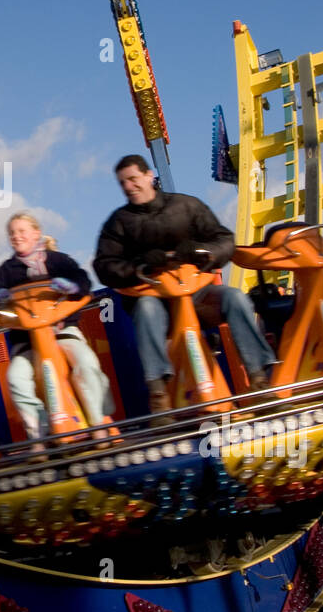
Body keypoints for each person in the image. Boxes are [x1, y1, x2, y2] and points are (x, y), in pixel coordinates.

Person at [93, 154, 277, 417]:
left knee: (235, 298)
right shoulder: (118, 223)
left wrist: (202, 251)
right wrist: (138, 265)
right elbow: (105, 266)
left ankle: (258, 378)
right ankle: (159, 393)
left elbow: (224, 239)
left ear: (149, 176)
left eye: (133, 179)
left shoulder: (186, 206)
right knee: (145, 309)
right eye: (122, 183)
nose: (128, 187)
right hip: (156, 301)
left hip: (197, 293)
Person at [0, 212, 113, 440]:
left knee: (86, 363)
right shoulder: (7, 271)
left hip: (63, 332)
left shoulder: (58, 261)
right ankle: (39, 432)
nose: (16, 236)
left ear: (36, 233)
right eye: (12, 233)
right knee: (16, 378)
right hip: (28, 339)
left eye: (22, 231)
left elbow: (83, 281)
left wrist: (71, 287)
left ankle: (97, 421)